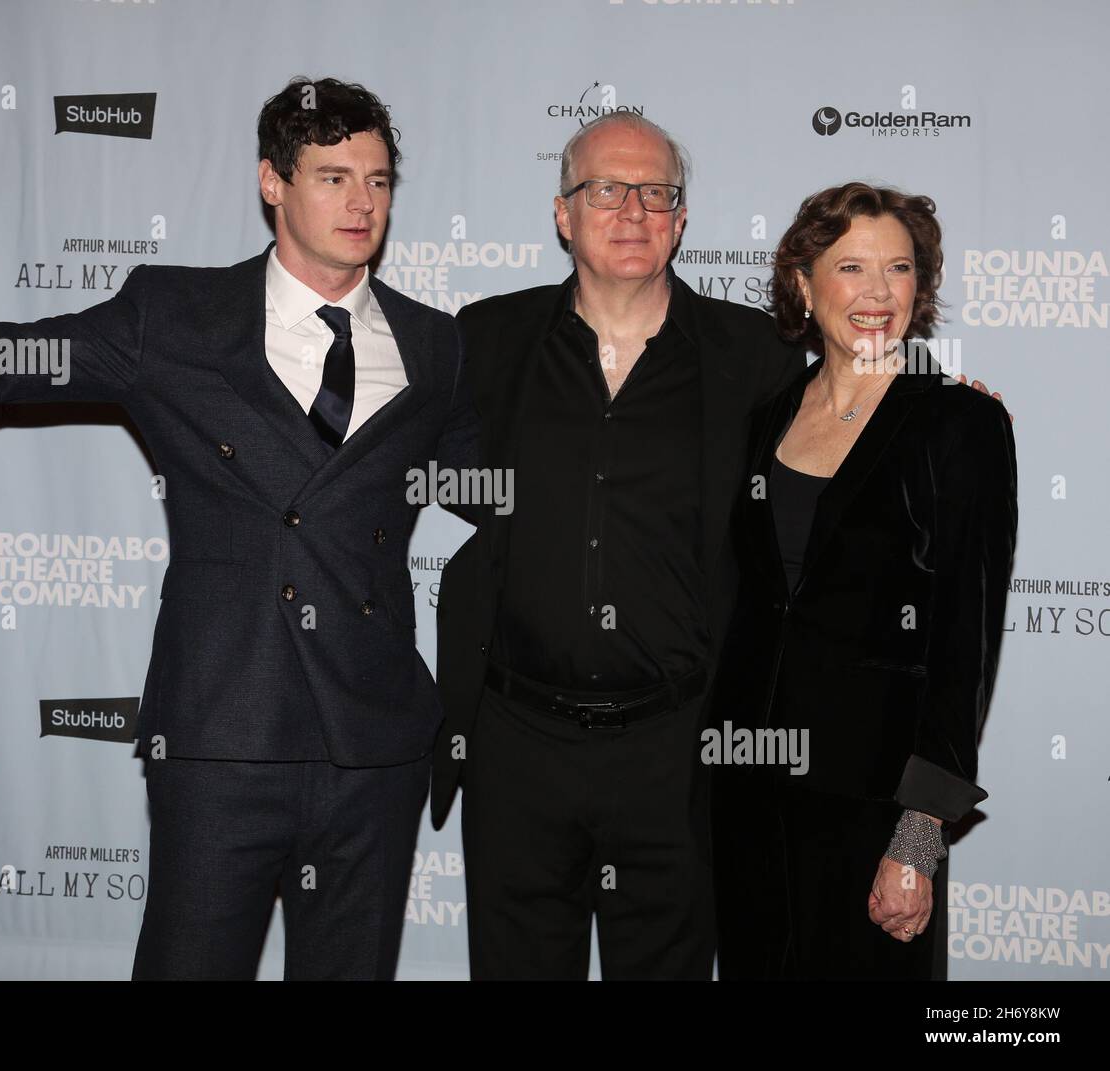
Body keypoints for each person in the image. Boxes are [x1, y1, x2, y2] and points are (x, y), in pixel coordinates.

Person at [0, 76, 478, 980]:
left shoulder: (437, 345)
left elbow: (496, 488)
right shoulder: (175, 316)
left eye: (378, 180)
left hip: (375, 748)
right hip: (221, 732)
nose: (361, 202)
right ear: (273, 182)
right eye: (333, 176)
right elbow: (20, 357)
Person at [430, 111, 807, 979]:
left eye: (657, 193)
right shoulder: (482, 341)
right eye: (606, 189)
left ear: (682, 218)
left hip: (676, 751)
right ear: (563, 213)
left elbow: (843, 458)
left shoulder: (756, 357)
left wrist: (943, 415)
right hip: (515, 743)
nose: (633, 210)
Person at [707, 182, 1018, 980]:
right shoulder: (767, 416)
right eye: (851, 267)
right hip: (749, 794)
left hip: (876, 804)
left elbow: (965, 643)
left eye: (900, 268)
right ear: (805, 286)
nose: (878, 292)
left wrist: (919, 832)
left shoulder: (960, 425)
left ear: (922, 286)